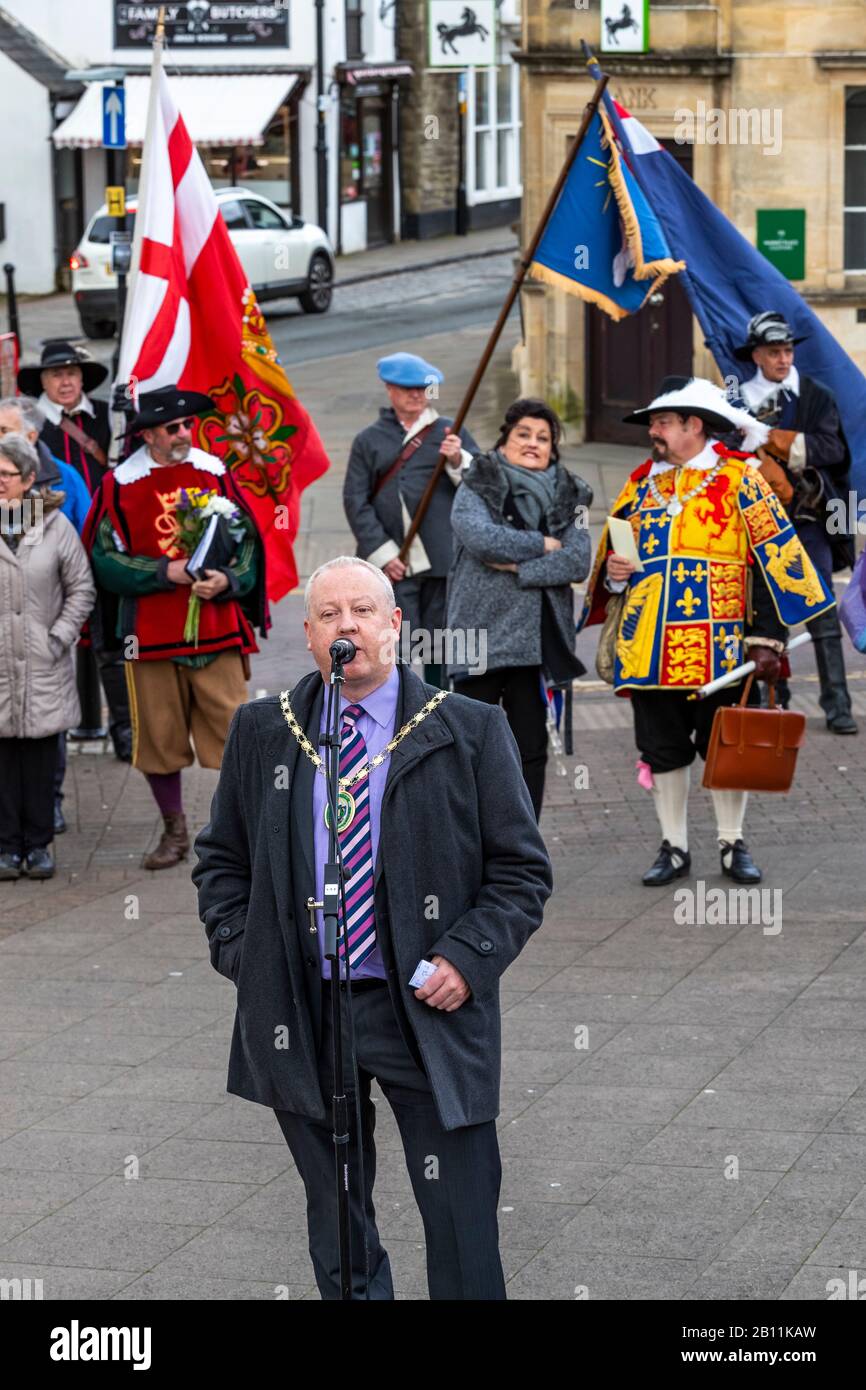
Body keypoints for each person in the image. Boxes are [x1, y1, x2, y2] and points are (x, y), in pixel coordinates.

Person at [192, 555, 552, 1300]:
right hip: (304, 1005)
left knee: (459, 1212)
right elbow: (221, 861)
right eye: (329, 615)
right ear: (309, 635)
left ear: (395, 624)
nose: (345, 626)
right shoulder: (267, 729)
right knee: (337, 1220)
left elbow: (520, 872)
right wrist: (245, 952)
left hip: (423, 1004)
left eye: (362, 611)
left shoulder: (468, 729)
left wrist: (468, 958)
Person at [579, 376, 835, 886]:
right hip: (649, 647)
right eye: (654, 422)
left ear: (694, 425)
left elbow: (772, 559)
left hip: (723, 648)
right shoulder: (637, 484)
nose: (653, 430)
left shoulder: (742, 478)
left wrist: (767, 637)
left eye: (663, 422)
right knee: (662, 750)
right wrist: (613, 573)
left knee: (727, 746)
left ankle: (731, 841)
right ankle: (673, 846)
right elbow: (613, 560)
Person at [82, 386, 268, 871]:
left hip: (216, 630)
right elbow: (104, 560)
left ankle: (243, 834)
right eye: (173, 427)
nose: (184, 433)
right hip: (147, 636)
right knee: (158, 739)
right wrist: (165, 573)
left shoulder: (214, 472)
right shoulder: (119, 484)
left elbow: (249, 543)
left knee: (236, 734)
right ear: (147, 435)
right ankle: (175, 831)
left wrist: (228, 580)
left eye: (187, 424)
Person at [446, 398, 592, 818]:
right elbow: (478, 537)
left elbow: (578, 561)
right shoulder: (480, 480)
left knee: (531, 747)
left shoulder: (574, 494)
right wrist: (542, 545)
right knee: (470, 745)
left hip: (538, 638)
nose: (533, 443)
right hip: (479, 634)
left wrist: (515, 566)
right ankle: (470, 838)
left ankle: (523, 840)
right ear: (506, 438)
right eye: (524, 434)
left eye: (543, 438)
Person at [733, 310, 858, 734]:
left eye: (787, 350)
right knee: (767, 616)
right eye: (774, 352)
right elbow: (724, 452)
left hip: (808, 519)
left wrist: (773, 441)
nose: (783, 359)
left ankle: (838, 704)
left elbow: (834, 450)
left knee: (821, 610)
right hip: (758, 523)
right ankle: (774, 698)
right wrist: (752, 458)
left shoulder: (816, 395)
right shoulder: (736, 401)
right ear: (756, 355)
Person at [0, 394, 113, 834]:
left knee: (44, 752)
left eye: (7, 476)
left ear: (28, 480)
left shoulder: (51, 523)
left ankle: (40, 838)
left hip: (44, 659)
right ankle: (8, 843)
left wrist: (59, 635)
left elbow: (80, 585)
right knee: (5, 761)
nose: (0, 483)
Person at [343, 352, 479, 687]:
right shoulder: (368, 439)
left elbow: (483, 484)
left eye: (422, 388)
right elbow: (355, 501)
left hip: (441, 561)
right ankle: (394, 712)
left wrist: (458, 458)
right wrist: (385, 555)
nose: (416, 394)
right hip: (393, 565)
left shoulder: (450, 431)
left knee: (440, 650)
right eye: (407, 388)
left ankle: (437, 708)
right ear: (390, 389)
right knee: (391, 649)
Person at [18, 342, 114, 743]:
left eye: (72, 374)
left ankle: (116, 726)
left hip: (101, 538)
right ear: (42, 381)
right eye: (56, 375)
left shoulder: (106, 418)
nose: (65, 381)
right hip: (53, 538)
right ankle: (64, 720)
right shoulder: (32, 424)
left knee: (105, 637)